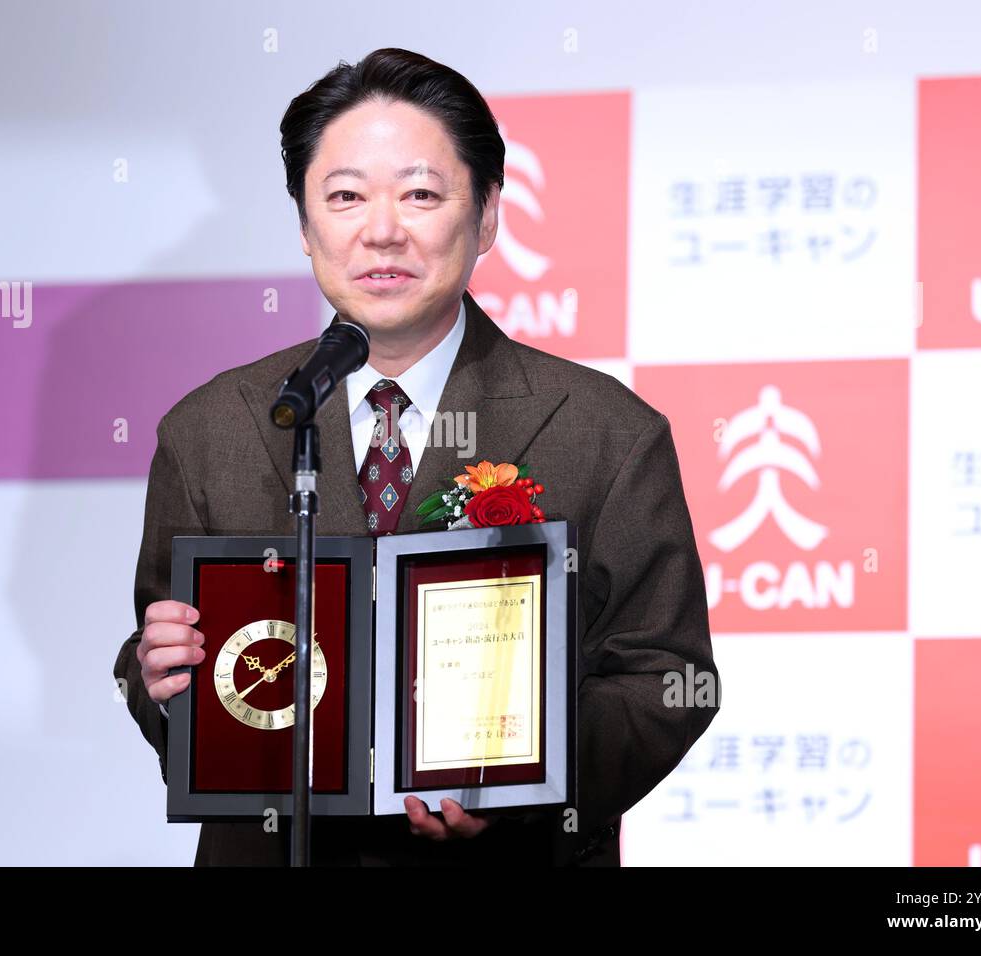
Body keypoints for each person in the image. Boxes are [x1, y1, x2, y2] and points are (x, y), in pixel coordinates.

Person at [114, 47, 719, 866]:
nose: (383, 229)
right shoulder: (211, 427)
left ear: (490, 214)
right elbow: (162, 666)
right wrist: (161, 677)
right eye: (346, 196)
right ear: (304, 224)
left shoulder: (605, 430)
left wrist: (517, 792)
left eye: (422, 194)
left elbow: (664, 678)